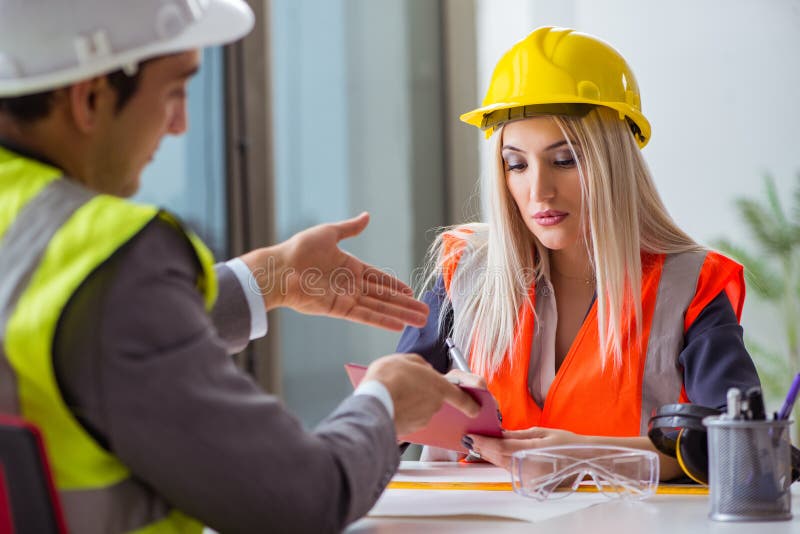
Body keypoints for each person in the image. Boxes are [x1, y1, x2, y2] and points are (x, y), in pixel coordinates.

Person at [0, 1, 480, 532]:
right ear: (89, 98)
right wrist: (386, 405)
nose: (181, 125)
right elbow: (299, 498)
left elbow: (77, 342)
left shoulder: (33, 232)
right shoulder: (111, 257)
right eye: (175, 91)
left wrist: (267, 279)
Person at [396, 26, 760, 479]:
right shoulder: (464, 271)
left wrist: (588, 454)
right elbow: (377, 427)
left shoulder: (690, 285)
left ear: (613, 163)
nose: (539, 191)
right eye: (516, 165)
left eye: (565, 160)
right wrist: (412, 407)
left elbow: (739, 448)